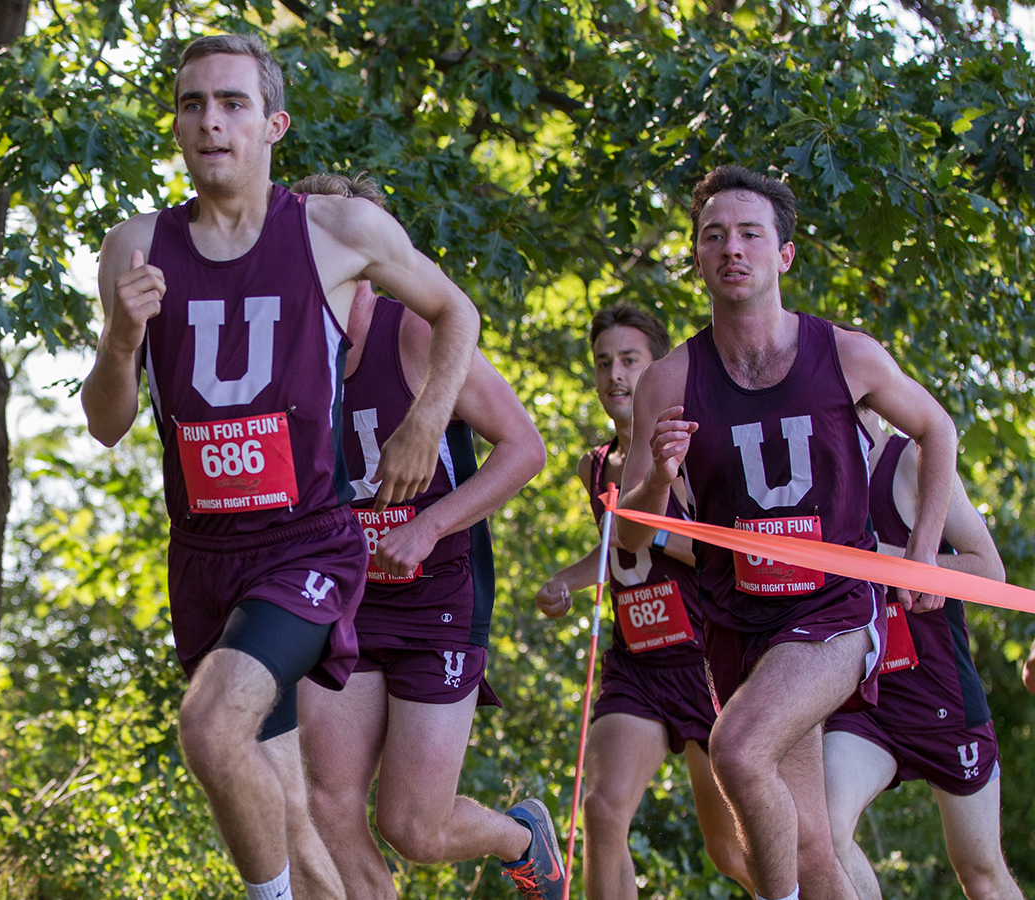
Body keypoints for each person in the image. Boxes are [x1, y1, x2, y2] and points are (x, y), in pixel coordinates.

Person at [80, 36, 563, 900]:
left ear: (274, 125)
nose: (210, 122)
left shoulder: (338, 232)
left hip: (305, 548)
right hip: (201, 555)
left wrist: (423, 424)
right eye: (192, 105)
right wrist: (121, 342)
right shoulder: (135, 248)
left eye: (231, 104)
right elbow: (107, 425)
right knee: (303, 815)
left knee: (214, 732)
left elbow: (457, 310)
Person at [617, 165, 959, 900]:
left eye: (749, 234)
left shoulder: (846, 354)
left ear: (784, 255)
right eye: (714, 236)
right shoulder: (669, 381)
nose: (731, 248)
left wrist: (924, 551)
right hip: (737, 623)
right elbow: (634, 535)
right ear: (699, 256)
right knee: (807, 843)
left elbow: (937, 428)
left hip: (834, 609)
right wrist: (656, 478)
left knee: (737, 751)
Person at [287, 173, 560, 900]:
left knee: (414, 828)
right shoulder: (284, 353)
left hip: (435, 598)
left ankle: (522, 838)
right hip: (338, 602)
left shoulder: (415, 335)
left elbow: (524, 448)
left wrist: (430, 523)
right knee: (325, 804)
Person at [535, 303, 750, 899]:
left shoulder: (696, 455)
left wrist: (650, 524)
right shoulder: (596, 465)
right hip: (638, 663)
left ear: (658, 370)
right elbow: (616, 552)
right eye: (603, 363)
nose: (615, 376)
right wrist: (565, 580)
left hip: (706, 660)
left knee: (730, 850)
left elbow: (726, 553)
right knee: (602, 812)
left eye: (630, 360)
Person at [824, 400, 1025, 900]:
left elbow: (990, 571)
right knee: (822, 833)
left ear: (876, 409)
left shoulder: (910, 463)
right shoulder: (815, 487)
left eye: (850, 409)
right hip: (866, 705)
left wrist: (881, 557)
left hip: (943, 701)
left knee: (981, 875)